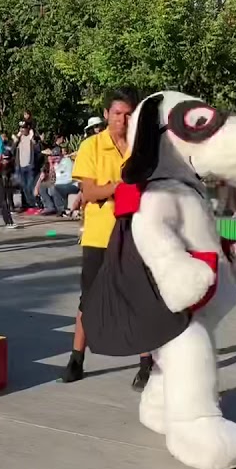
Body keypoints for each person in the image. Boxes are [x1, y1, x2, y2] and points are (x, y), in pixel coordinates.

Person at [64, 89, 154, 390]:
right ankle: (76, 358)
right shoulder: (92, 146)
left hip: (136, 232)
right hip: (100, 235)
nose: (123, 120)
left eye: (129, 114)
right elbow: (88, 193)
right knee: (88, 300)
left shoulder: (140, 147)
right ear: (106, 115)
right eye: (117, 114)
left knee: (139, 299)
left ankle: (146, 364)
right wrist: (117, 188)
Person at [14, 122, 37, 211]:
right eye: (21, 128)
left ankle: (33, 204)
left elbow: (37, 148)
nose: (22, 130)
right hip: (21, 166)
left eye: (24, 128)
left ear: (28, 129)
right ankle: (28, 204)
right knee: (24, 187)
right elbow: (13, 149)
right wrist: (17, 138)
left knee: (30, 186)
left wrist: (32, 137)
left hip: (29, 165)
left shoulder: (31, 138)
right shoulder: (20, 139)